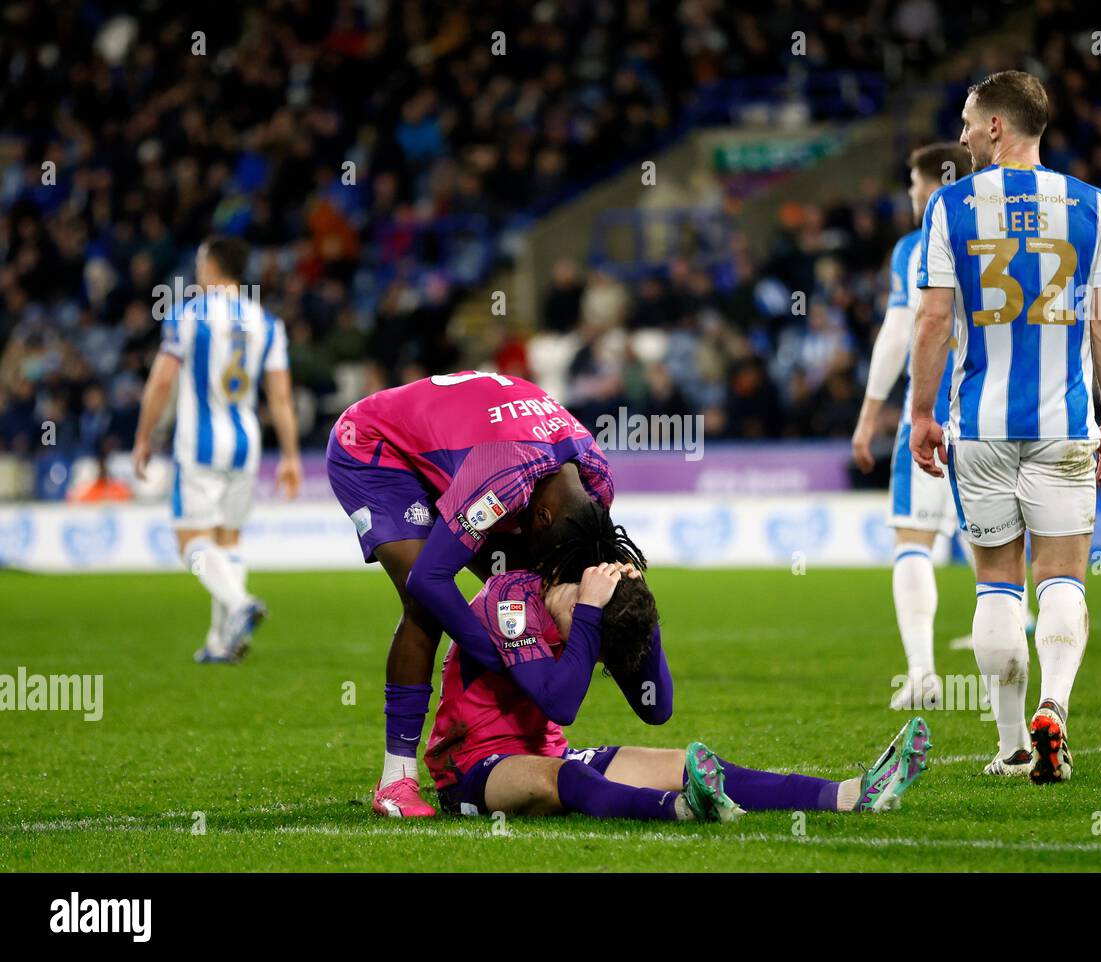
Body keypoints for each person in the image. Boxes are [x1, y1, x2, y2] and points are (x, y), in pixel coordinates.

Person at [909, 71, 1101, 783]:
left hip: (979, 427)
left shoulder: (949, 207)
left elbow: (935, 320)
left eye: (970, 121)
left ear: (998, 128)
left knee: (997, 587)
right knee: (1062, 579)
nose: (964, 132)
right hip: (1065, 423)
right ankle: (1055, 709)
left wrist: (919, 411)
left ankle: (1008, 747)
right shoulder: (1093, 207)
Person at [426, 549, 932, 821]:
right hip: (473, 769)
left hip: (547, 750)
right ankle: (684, 810)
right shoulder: (509, 599)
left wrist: (648, 614)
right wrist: (587, 616)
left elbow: (657, 707)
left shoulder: (598, 612)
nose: (591, 654)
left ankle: (849, 795)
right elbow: (560, 701)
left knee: (685, 761)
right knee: (569, 781)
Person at [326, 370, 620, 817]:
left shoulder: (595, 479)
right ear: (539, 517)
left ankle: (526, 741)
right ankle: (396, 783)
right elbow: (430, 578)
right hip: (377, 448)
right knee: (423, 603)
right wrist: (494, 653)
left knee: (531, 582)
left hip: (460, 450)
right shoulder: (504, 479)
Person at [132, 236, 302, 663]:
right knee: (228, 540)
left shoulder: (189, 314)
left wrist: (143, 436)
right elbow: (280, 398)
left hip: (199, 444)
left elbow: (163, 381)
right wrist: (291, 455)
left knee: (189, 540)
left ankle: (241, 603)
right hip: (245, 444)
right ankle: (221, 641)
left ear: (208, 267)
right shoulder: (268, 322)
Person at [852, 142, 973, 709]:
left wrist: (869, 413)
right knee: (995, 543)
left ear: (934, 184)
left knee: (914, 542)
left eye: (914, 182)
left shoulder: (917, 244)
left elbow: (901, 332)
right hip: (995, 413)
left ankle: (923, 674)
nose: (910, 192)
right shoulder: (1006, 233)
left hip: (929, 416)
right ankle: (1027, 702)